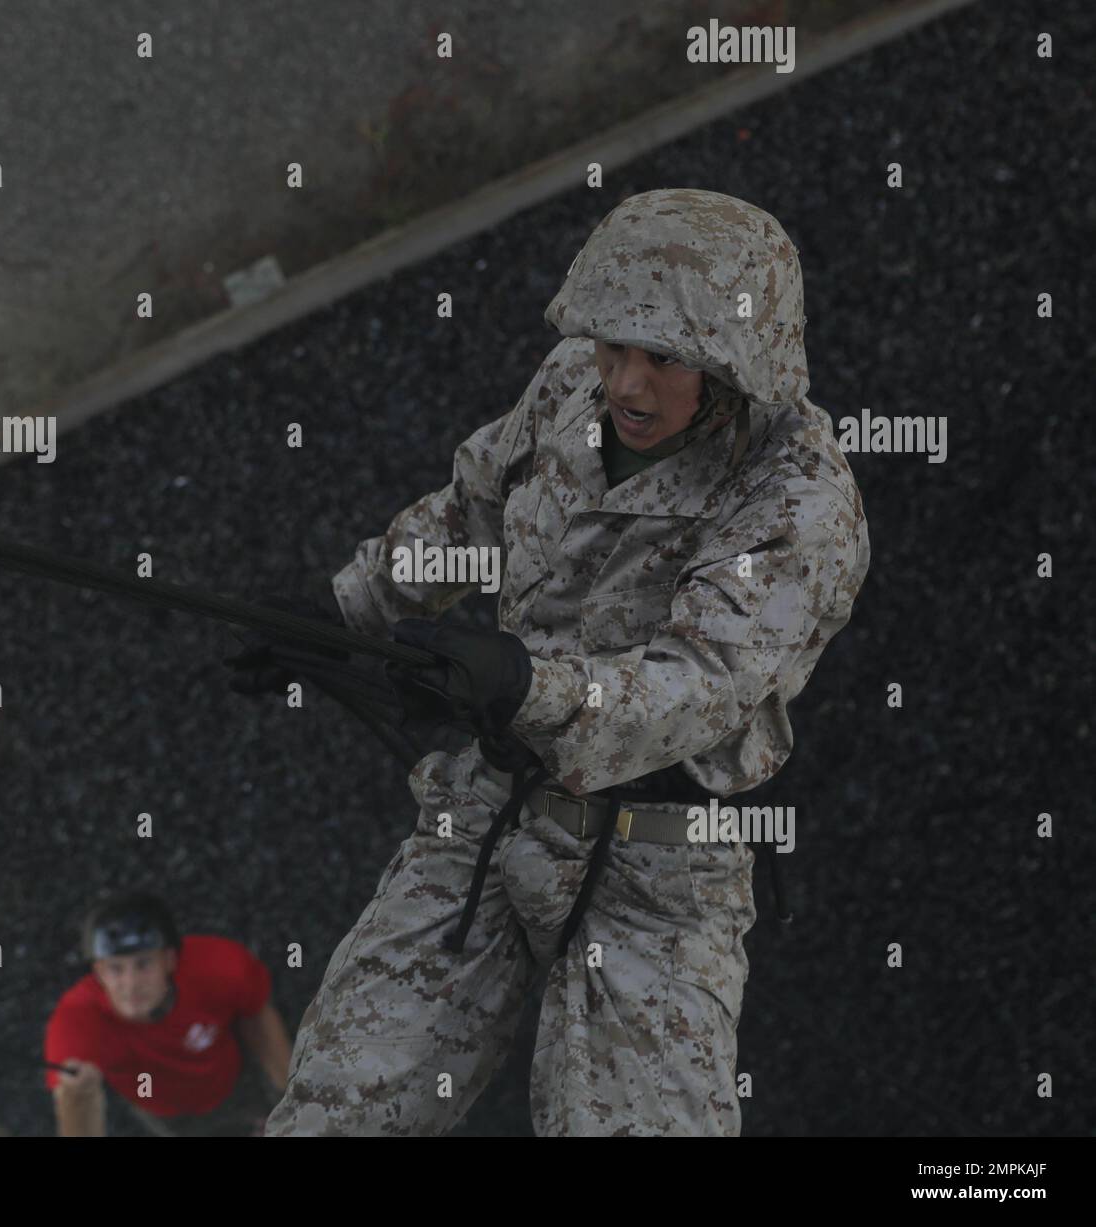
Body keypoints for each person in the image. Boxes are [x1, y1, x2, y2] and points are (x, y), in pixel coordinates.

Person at [234, 187, 871, 1136]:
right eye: (615, 345)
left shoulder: (799, 500)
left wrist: (530, 686)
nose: (626, 382)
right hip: (490, 813)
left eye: (665, 358)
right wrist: (341, 612)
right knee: (334, 1119)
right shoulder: (573, 383)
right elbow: (469, 512)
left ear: (740, 362)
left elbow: (698, 687)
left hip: (656, 874)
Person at [44, 891, 293, 1136]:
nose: (131, 984)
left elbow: (257, 1016)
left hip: (239, 1084)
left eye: (143, 964)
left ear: (170, 959)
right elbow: (72, 1100)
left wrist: (291, 1091)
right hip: (169, 1117)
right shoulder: (77, 1018)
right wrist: (79, 1093)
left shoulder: (219, 968)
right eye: (115, 969)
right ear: (98, 972)